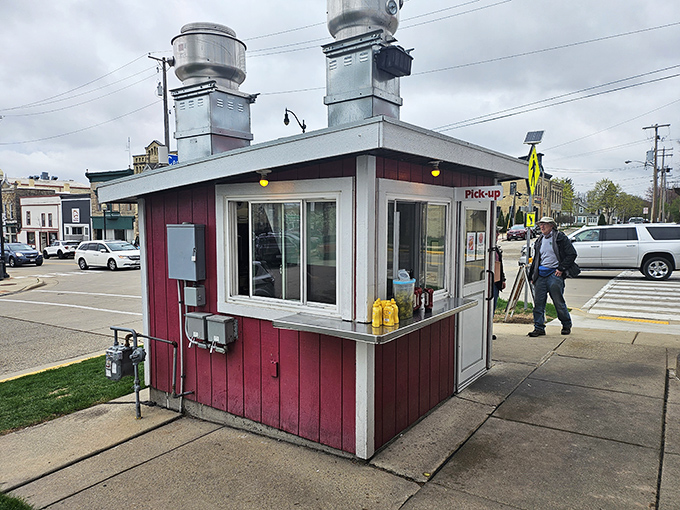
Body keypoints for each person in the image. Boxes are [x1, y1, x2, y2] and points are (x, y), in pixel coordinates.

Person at [527, 217, 577, 337]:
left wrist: (561, 268)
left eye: (545, 224)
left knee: (558, 302)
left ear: (552, 226)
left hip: (554, 275)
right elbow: (536, 260)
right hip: (540, 275)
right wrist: (533, 275)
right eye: (540, 225)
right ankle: (539, 327)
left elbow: (572, 254)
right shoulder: (539, 240)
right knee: (538, 303)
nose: (542, 227)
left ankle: (566, 324)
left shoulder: (560, 238)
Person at [491, 230, 506, 340]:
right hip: (488, 282)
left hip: (496, 282)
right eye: (496, 233)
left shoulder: (495, 249)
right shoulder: (486, 248)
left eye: (497, 233)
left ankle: (489, 330)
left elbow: (500, 265)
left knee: (492, 308)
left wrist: (502, 279)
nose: (497, 235)